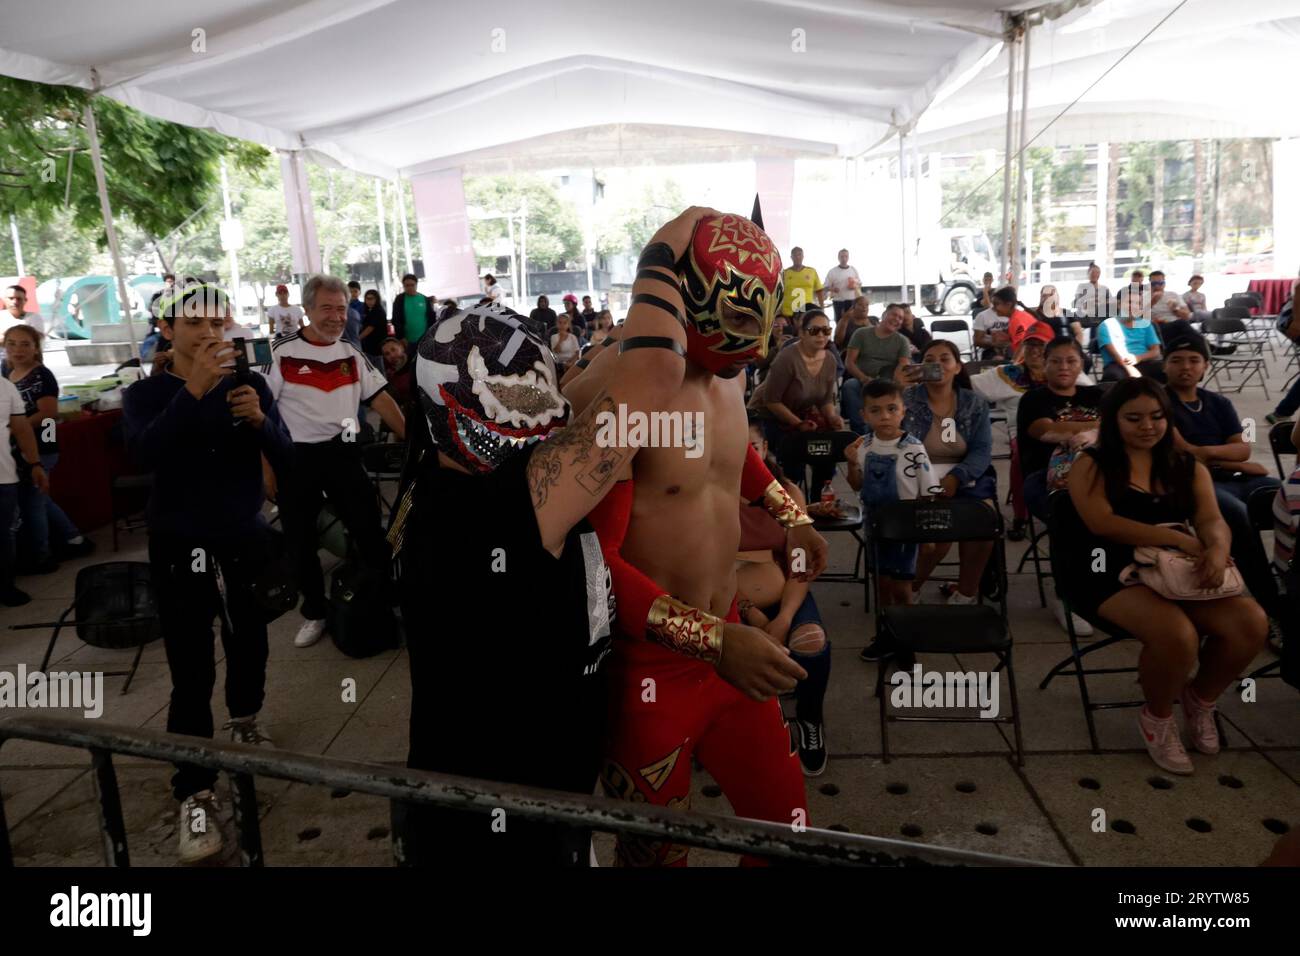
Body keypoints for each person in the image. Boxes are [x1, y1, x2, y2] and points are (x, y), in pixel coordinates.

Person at [566, 208, 828, 867]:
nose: (755, 349)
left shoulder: (728, 374)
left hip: (730, 641)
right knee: (654, 857)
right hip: (650, 671)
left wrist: (787, 511)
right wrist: (716, 643)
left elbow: (729, 455)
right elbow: (597, 567)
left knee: (787, 833)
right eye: (740, 325)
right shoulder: (622, 388)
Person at [122, 283, 293, 862]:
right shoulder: (145, 395)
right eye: (196, 321)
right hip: (179, 544)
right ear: (167, 330)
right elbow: (144, 454)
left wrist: (261, 423)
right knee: (190, 667)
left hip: (243, 539)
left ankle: (246, 718)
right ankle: (193, 790)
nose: (211, 331)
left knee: (249, 637)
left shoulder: (252, 384)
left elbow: (286, 453)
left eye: (221, 320)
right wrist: (193, 391)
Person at [1065, 377, 1267, 775]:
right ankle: (1157, 717)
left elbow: (1210, 518)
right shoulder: (1092, 462)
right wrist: (1179, 540)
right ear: (1112, 420)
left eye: (1157, 416)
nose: (1148, 426)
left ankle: (1200, 699)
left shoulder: (1184, 464)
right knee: (1177, 635)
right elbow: (1102, 523)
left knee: (1251, 623)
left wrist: (1216, 548)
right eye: (1134, 418)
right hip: (1104, 569)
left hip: (1176, 566)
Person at [264, 275, 406, 649]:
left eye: (341, 308)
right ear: (307, 310)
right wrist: (265, 466)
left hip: (344, 452)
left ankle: (383, 599)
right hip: (297, 458)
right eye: (326, 308)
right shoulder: (281, 353)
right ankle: (315, 612)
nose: (335, 316)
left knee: (369, 532)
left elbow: (381, 400)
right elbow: (258, 415)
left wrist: (412, 439)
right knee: (300, 541)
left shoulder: (351, 354)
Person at [737, 420, 833, 775]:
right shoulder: (708, 495)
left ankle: (809, 719)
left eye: (754, 447)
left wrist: (784, 617)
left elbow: (798, 563)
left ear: (765, 450)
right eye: (739, 447)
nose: (747, 455)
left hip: (784, 594)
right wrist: (749, 612)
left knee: (812, 642)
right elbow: (707, 565)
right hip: (726, 597)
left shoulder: (787, 492)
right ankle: (749, 724)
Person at [1163, 333, 1281, 622]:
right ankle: (1273, 606)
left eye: (1194, 360)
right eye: (1176, 361)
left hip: (1235, 477)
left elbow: (1242, 448)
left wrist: (1211, 454)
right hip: (1194, 483)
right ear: (1164, 366)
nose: (1185, 367)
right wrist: (1225, 459)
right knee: (1238, 515)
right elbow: (1185, 453)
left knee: (1290, 498)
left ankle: (1289, 575)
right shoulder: (1159, 403)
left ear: (1206, 365)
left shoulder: (1218, 402)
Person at [895, 340, 996, 610]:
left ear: (957, 367)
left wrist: (956, 477)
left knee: (983, 522)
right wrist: (897, 392)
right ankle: (911, 587)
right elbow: (886, 440)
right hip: (917, 474)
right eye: (929, 359)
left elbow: (982, 450)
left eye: (944, 359)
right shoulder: (906, 400)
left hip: (964, 475)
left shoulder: (973, 404)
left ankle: (965, 593)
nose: (937, 364)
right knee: (940, 529)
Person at [1015, 337, 1104, 633]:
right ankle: (1066, 596)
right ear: (1044, 364)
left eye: (1071, 361)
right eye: (1055, 361)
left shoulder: (1096, 395)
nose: (1063, 367)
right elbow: (1047, 431)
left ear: (1081, 363)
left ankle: (1109, 583)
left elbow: (1126, 428)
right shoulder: (1034, 399)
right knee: (1068, 513)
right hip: (1046, 478)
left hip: (1101, 474)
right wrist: (1100, 428)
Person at [846, 380, 940, 653]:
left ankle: (906, 636)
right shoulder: (864, 446)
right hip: (876, 524)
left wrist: (926, 534)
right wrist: (852, 462)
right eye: (875, 410)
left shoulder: (913, 449)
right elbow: (856, 484)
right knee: (881, 583)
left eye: (891, 409)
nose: (884, 416)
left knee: (902, 586)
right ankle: (885, 633)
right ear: (864, 415)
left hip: (906, 524)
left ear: (903, 411)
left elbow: (928, 491)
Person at [4, 325, 92, 573]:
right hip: (16, 448)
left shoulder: (42, 375)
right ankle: (73, 538)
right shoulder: (6, 372)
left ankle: (43, 555)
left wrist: (15, 427)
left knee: (33, 501)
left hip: (42, 445)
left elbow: (48, 414)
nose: (18, 350)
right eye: (12, 343)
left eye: (25, 344)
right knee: (39, 499)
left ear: (35, 348)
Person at [748, 309, 846, 490]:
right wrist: (798, 423)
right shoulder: (787, 358)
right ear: (801, 333)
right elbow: (771, 400)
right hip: (767, 414)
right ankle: (793, 495)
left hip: (800, 413)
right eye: (814, 330)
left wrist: (832, 417)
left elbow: (824, 400)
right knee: (794, 452)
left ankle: (820, 499)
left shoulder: (830, 359)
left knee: (828, 451)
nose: (821, 335)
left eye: (826, 330)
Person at [0, 357, 47, 607]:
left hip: (4, 476)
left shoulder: (5, 387)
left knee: (4, 535)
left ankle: (6, 587)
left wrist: (35, 463)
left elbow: (22, 428)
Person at [842, 303, 911, 436]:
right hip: (862, 380)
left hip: (889, 382)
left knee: (907, 391)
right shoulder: (861, 333)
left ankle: (895, 431)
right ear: (884, 315)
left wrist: (894, 384)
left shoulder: (902, 341)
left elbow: (903, 367)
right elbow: (849, 362)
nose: (897, 319)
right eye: (894, 315)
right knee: (849, 385)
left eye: (901, 318)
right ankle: (860, 434)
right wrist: (864, 378)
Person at [1097, 298, 1163, 382]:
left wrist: (1138, 358)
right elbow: (1114, 353)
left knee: (1163, 370)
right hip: (1117, 364)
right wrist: (1130, 369)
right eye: (1129, 302)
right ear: (1119, 304)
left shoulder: (1145, 324)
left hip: (1143, 361)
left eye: (1138, 303)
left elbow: (1156, 351)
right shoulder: (1107, 325)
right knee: (1113, 376)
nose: (1133, 306)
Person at [973, 287, 1026, 361]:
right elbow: (977, 340)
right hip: (990, 350)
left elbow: (1023, 342)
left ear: (1008, 304)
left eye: (997, 303)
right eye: (994, 303)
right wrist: (994, 342)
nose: (995, 306)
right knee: (998, 359)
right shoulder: (982, 316)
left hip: (1014, 350)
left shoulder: (1018, 317)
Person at [1148, 270, 1194, 341]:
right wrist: (1153, 301)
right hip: (1159, 326)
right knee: (1183, 325)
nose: (1157, 286)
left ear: (1164, 283)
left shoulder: (1173, 295)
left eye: (1160, 283)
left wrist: (1175, 310)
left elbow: (1187, 316)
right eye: (1154, 283)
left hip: (1178, 323)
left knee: (1183, 324)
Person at [390, 274, 436, 346]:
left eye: (412, 285)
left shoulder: (424, 299)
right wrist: (401, 337)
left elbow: (431, 317)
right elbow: (396, 319)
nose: (410, 287)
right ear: (404, 286)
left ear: (416, 285)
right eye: (407, 285)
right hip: (406, 341)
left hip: (424, 339)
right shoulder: (399, 299)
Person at [781, 246, 824, 317]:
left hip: (807, 313)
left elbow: (819, 290)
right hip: (788, 313)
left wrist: (822, 308)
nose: (797, 257)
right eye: (795, 255)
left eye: (799, 254)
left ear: (803, 256)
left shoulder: (811, 271)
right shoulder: (785, 273)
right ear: (791, 257)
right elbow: (779, 294)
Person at [823, 248, 861, 322]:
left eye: (846, 256)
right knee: (839, 321)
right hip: (838, 301)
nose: (844, 258)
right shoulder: (832, 271)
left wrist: (854, 285)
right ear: (838, 258)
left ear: (848, 257)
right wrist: (832, 289)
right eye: (842, 256)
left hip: (851, 300)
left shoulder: (853, 270)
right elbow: (825, 287)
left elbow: (859, 284)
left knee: (851, 322)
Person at [380, 336, 414, 410]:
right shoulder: (390, 375)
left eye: (393, 350)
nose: (392, 355)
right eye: (387, 354)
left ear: (401, 348)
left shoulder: (416, 364)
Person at [357, 289, 387, 362]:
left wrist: (358, 338)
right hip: (369, 345)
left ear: (376, 299)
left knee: (378, 367)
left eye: (371, 299)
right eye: (367, 299)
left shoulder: (378, 311)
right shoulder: (369, 310)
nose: (369, 301)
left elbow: (370, 327)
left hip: (377, 345)